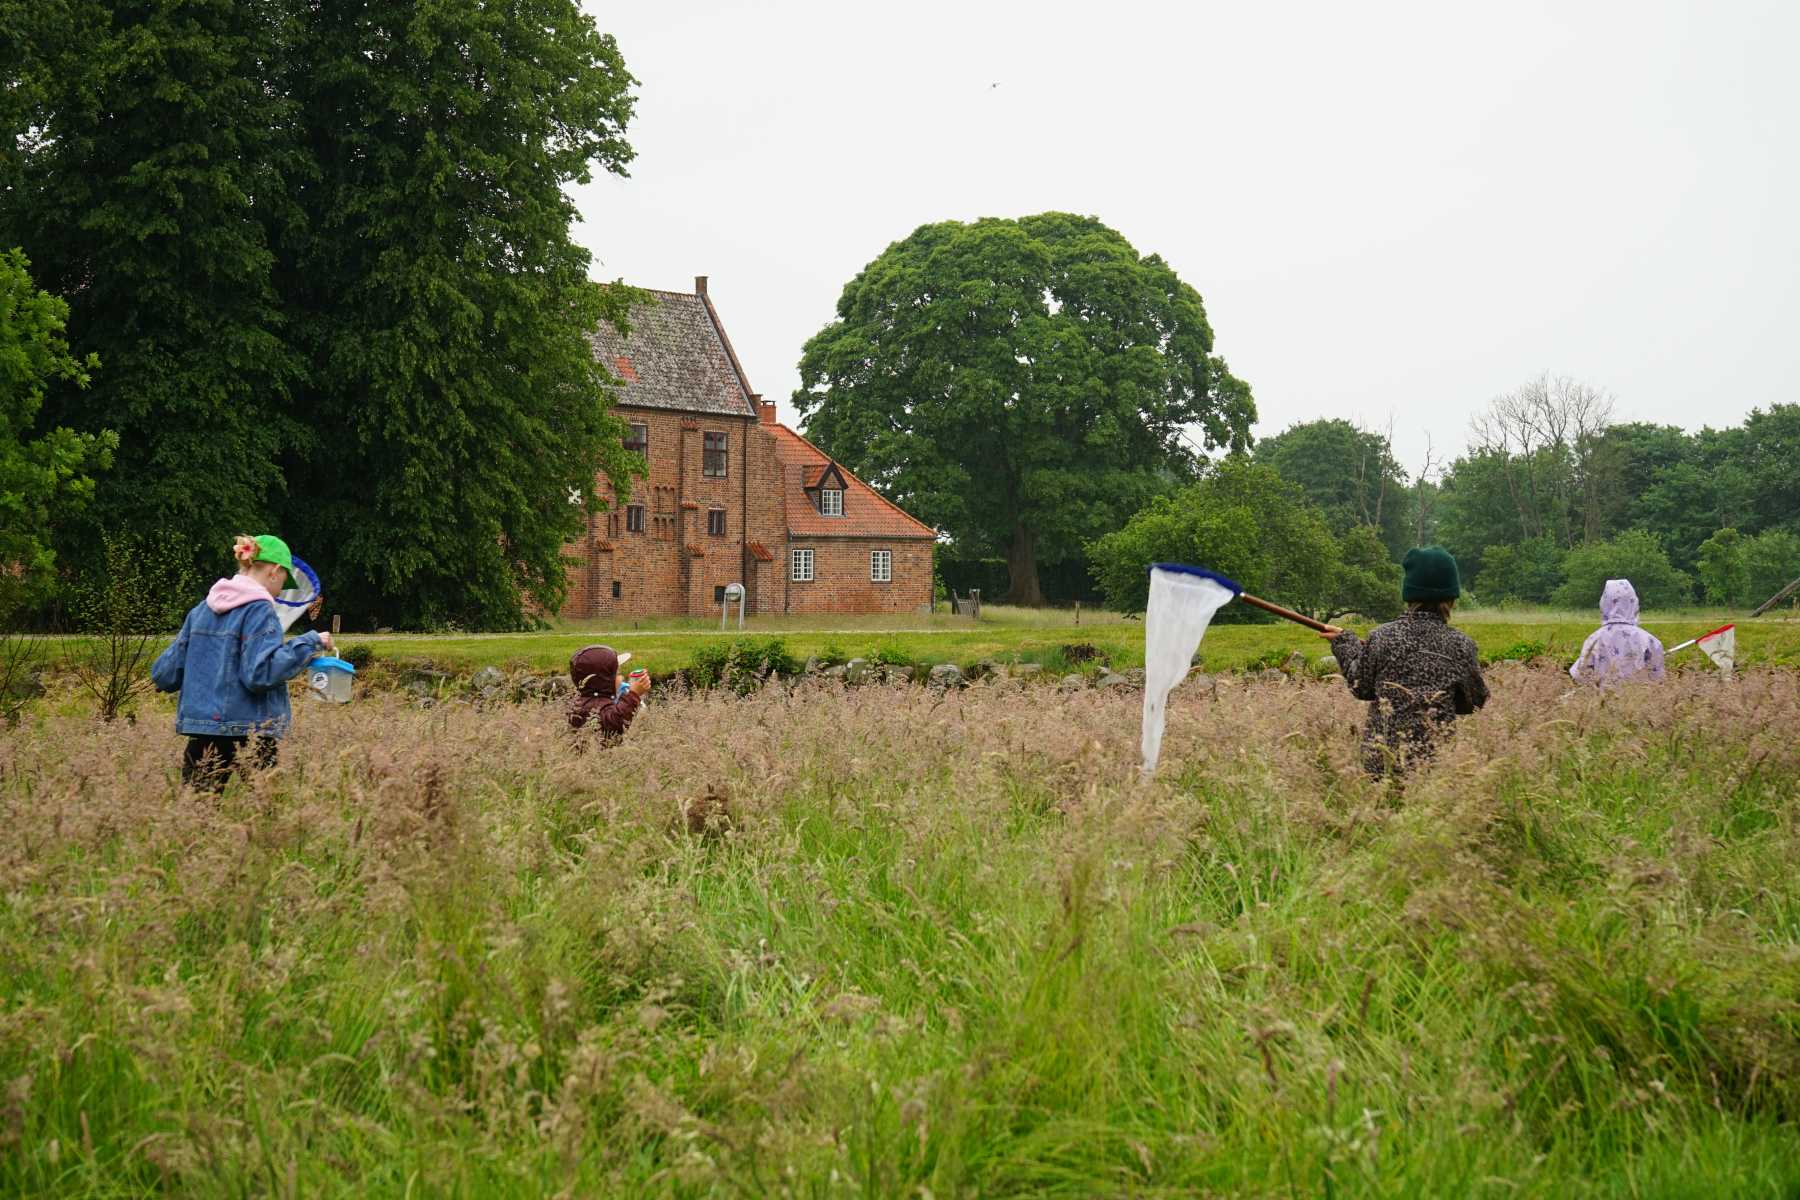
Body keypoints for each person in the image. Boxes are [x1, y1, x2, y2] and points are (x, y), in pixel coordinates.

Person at [151, 534, 333, 791]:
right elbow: (261, 673)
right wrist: (309, 642)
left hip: (205, 732)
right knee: (264, 811)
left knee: (196, 813)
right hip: (252, 731)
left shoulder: (202, 609)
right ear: (275, 571)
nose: (281, 590)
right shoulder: (260, 610)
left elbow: (164, 673)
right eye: (283, 581)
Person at [1319, 546, 1489, 778]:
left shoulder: (1381, 637)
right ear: (1452, 598)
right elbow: (1475, 701)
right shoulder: (1462, 645)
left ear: (1409, 593)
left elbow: (1361, 687)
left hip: (1381, 764)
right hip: (1435, 767)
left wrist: (1344, 643)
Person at [1569, 578, 1665, 685]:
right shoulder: (1649, 640)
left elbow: (1579, 676)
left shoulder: (1594, 639)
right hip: (1639, 698)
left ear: (1604, 603)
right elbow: (1658, 679)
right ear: (1633, 602)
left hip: (1602, 699)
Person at [567, 644, 648, 743]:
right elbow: (615, 725)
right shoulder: (595, 706)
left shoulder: (588, 700)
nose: (621, 678)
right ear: (604, 680)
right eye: (617, 674)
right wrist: (633, 695)